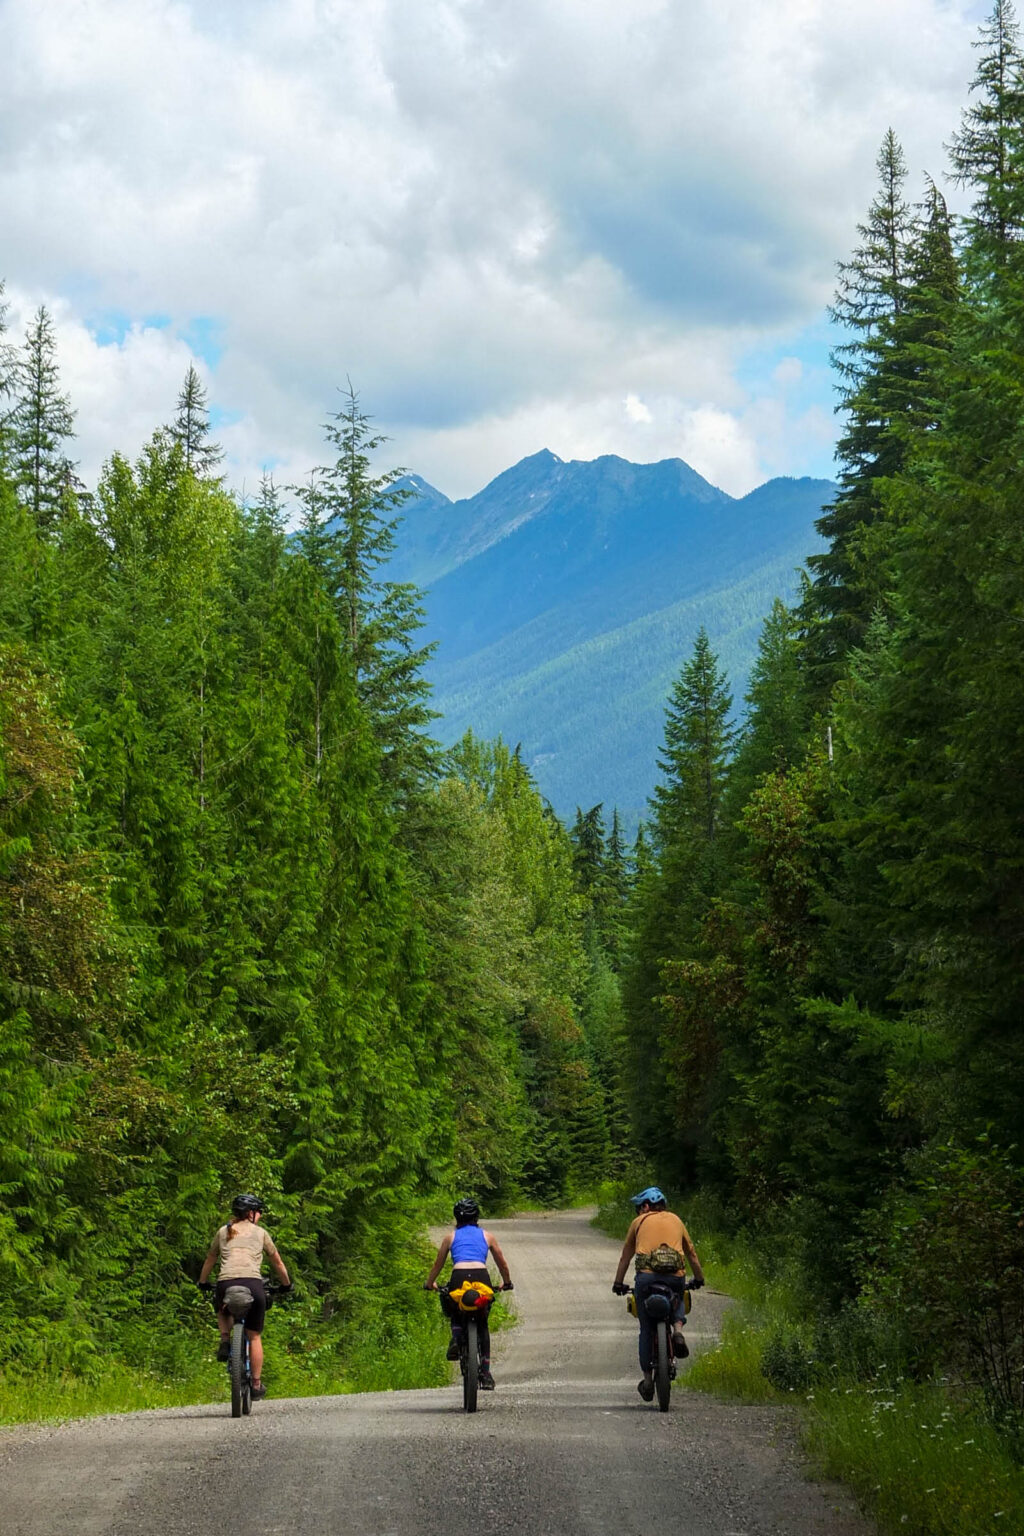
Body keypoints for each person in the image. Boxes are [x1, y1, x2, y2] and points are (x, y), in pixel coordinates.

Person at [612, 1185, 705, 1402]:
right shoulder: (676, 1220)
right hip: (675, 1276)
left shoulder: (638, 1222)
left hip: (646, 1279)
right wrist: (699, 1278)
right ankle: (678, 1330)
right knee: (679, 1295)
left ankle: (647, 1380)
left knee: (646, 1327)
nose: (638, 1212)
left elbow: (625, 1257)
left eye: (639, 1207)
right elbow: (691, 1253)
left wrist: (618, 1283)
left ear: (646, 1206)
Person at [198, 1193, 291, 1399]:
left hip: (226, 1283)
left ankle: (224, 1339)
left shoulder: (223, 1231)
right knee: (255, 1335)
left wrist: (202, 1282)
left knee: (220, 1306)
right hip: (253, 1284)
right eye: (259, 1212)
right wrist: (286, 1284)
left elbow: (210, 1259)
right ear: (251, 1213)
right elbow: (277, 1262)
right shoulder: (261, 1233)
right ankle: (256, 1385)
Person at [424, 1198, 513, 1391]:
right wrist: (506, 1282)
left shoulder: (450, 1238)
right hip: (482, 1276)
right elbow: (502, 1262)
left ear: (457, 1217)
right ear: (477, 1216)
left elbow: (438, 1264)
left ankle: (457, 1339)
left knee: (455, 1307)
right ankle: (486, 1373)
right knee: (483, 1322)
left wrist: (430, 1283)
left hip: (459, 1275)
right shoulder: (487, 1236)